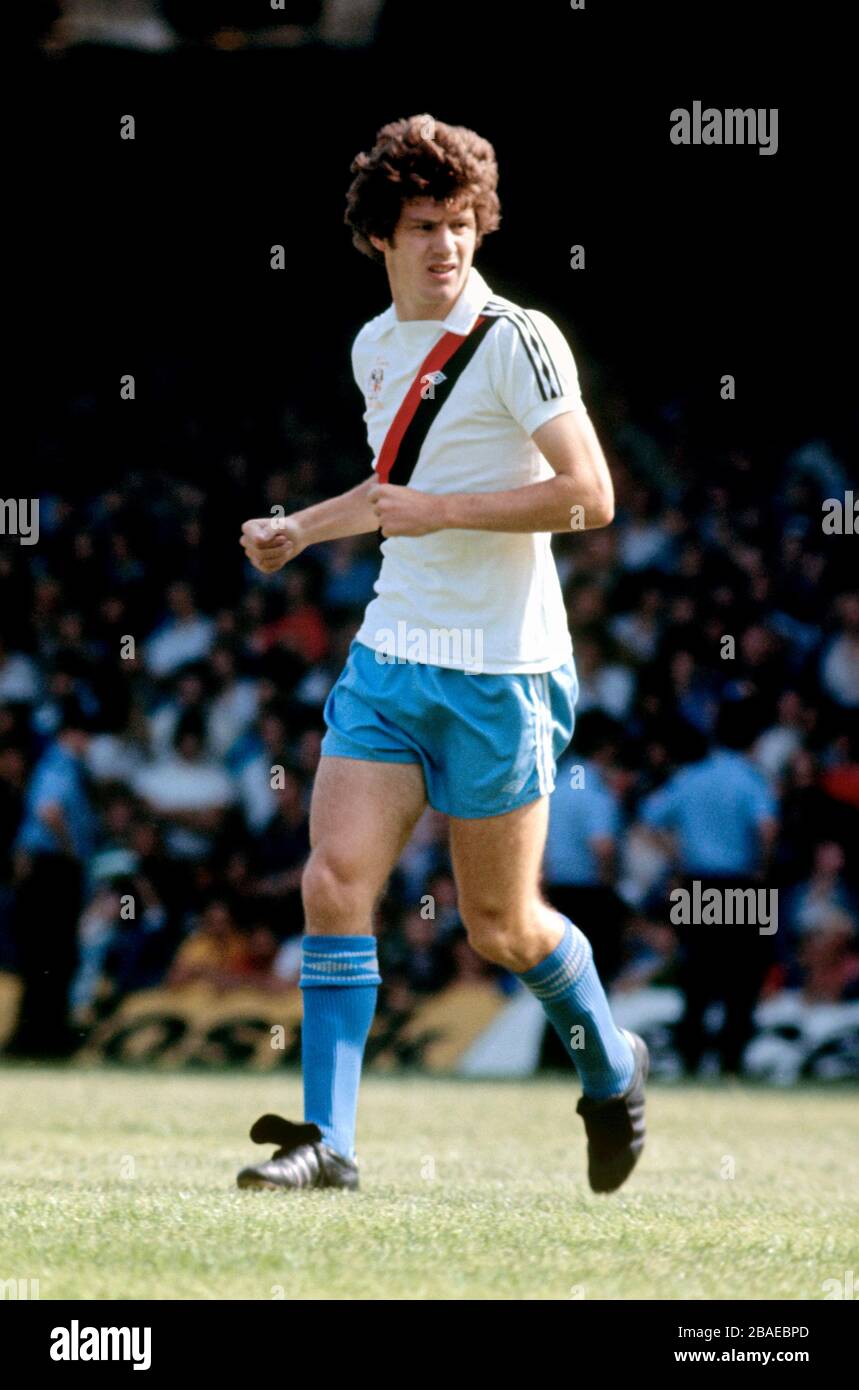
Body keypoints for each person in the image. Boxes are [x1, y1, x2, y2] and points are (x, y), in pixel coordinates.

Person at [235, 114, 648, 1194]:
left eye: (461, 224)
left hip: (502, 669)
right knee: (333, 878)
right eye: (423, 226)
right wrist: (299, 531)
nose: (445, 246)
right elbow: (388, 498)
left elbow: (590, 496)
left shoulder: (519, 339)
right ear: (380, 235)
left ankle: (610, 1062)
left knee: (502, 928)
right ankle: (328, 1141)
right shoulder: (373, 346)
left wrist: (444, 507)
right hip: (392, 655)